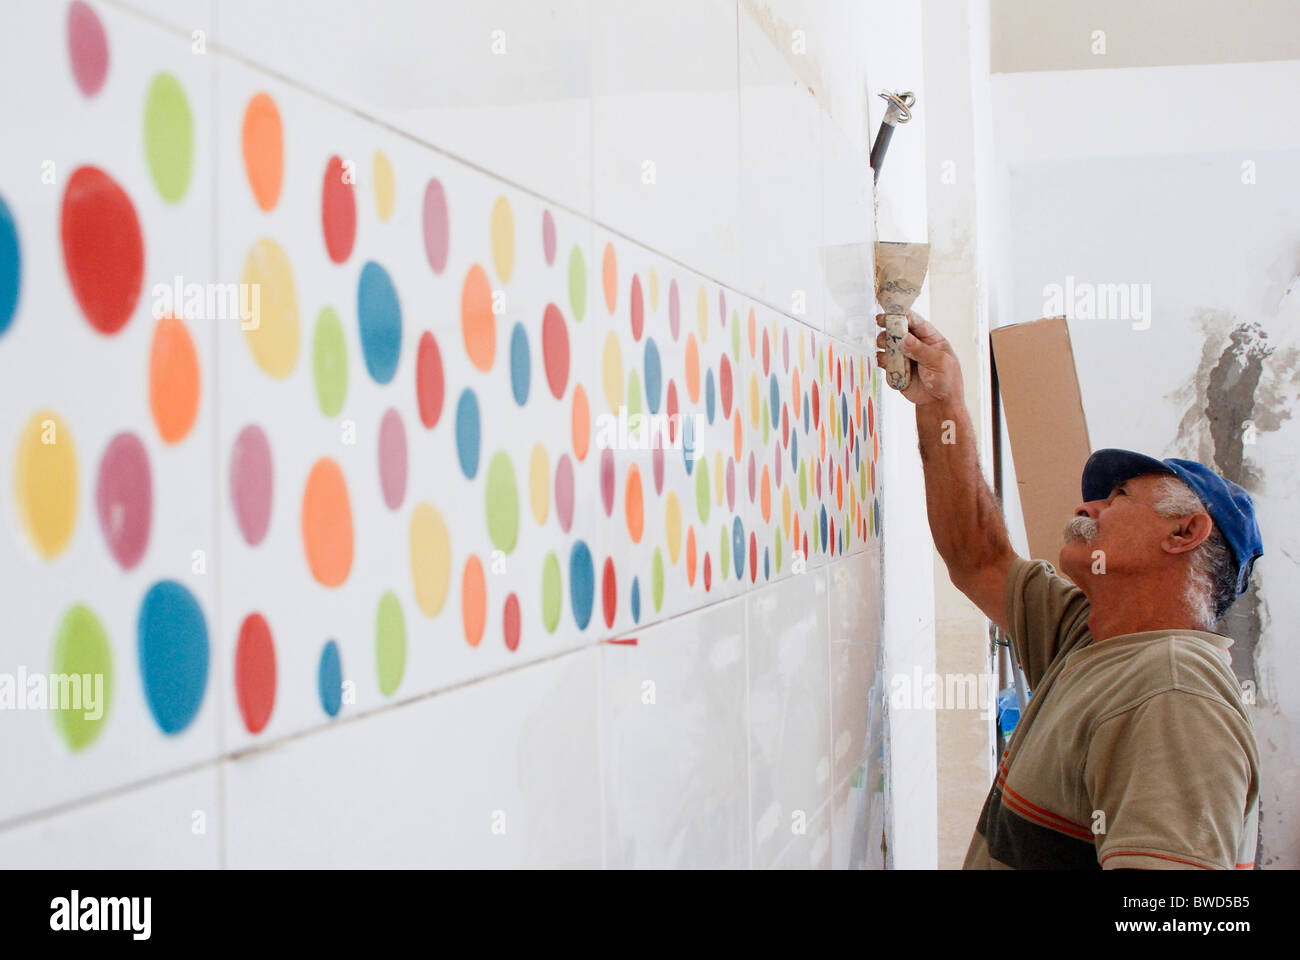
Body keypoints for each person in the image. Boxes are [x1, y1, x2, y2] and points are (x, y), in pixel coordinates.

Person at [878, 312, 1263, 870]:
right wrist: (941, 401)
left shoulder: (1174, 697)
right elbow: (978, 558)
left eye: (1120, 496)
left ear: (1185, 533)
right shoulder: (1092, 634)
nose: (1087, 507)